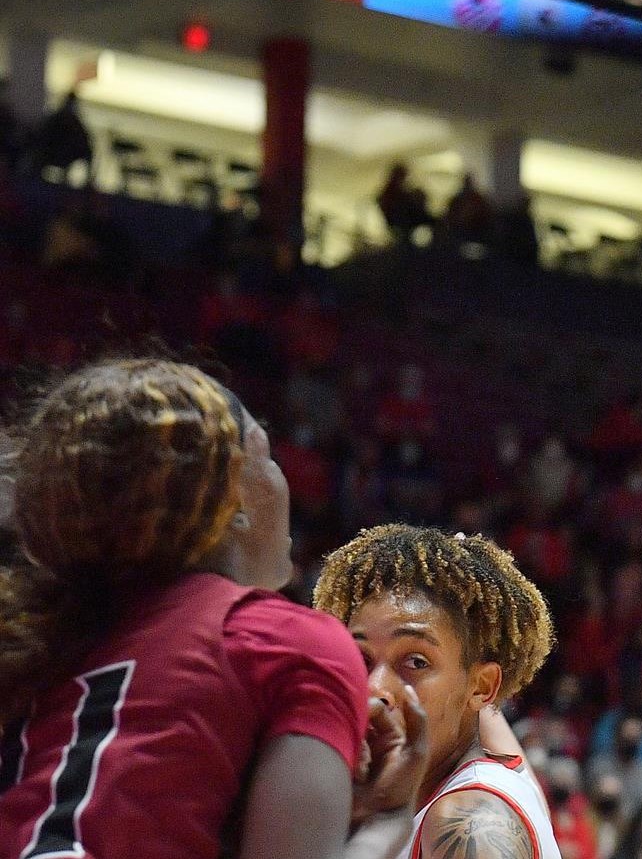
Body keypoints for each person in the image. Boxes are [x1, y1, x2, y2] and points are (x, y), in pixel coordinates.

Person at [0, 358, 429, 859]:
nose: (283, 478)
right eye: (268, 458)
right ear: (233, 501)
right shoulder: (281, 637)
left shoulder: (40, 636)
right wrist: (390, 817)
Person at [313, 524, 561, 859]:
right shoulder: (493, 774)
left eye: (415, 662)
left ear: (482, 687)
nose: (374, 687)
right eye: (361, 658)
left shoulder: (472, 817)